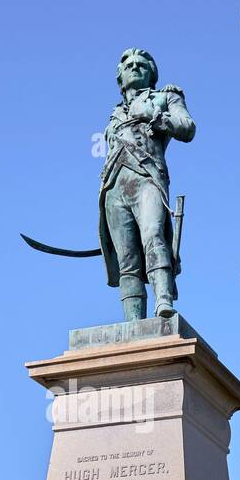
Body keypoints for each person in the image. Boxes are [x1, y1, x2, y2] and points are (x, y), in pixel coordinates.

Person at [99, 49, 195, 320]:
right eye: (128, 65)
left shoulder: (165, 96)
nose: (134, 67)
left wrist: (158, 118)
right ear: (121, 79)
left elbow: (187, 127)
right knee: (127, 259)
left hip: (147, 179)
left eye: (141, 64)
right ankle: (133, 322)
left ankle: (163, 302)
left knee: (153, 233)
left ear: (152, 73)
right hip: (114, 187)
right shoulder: (114, 114)